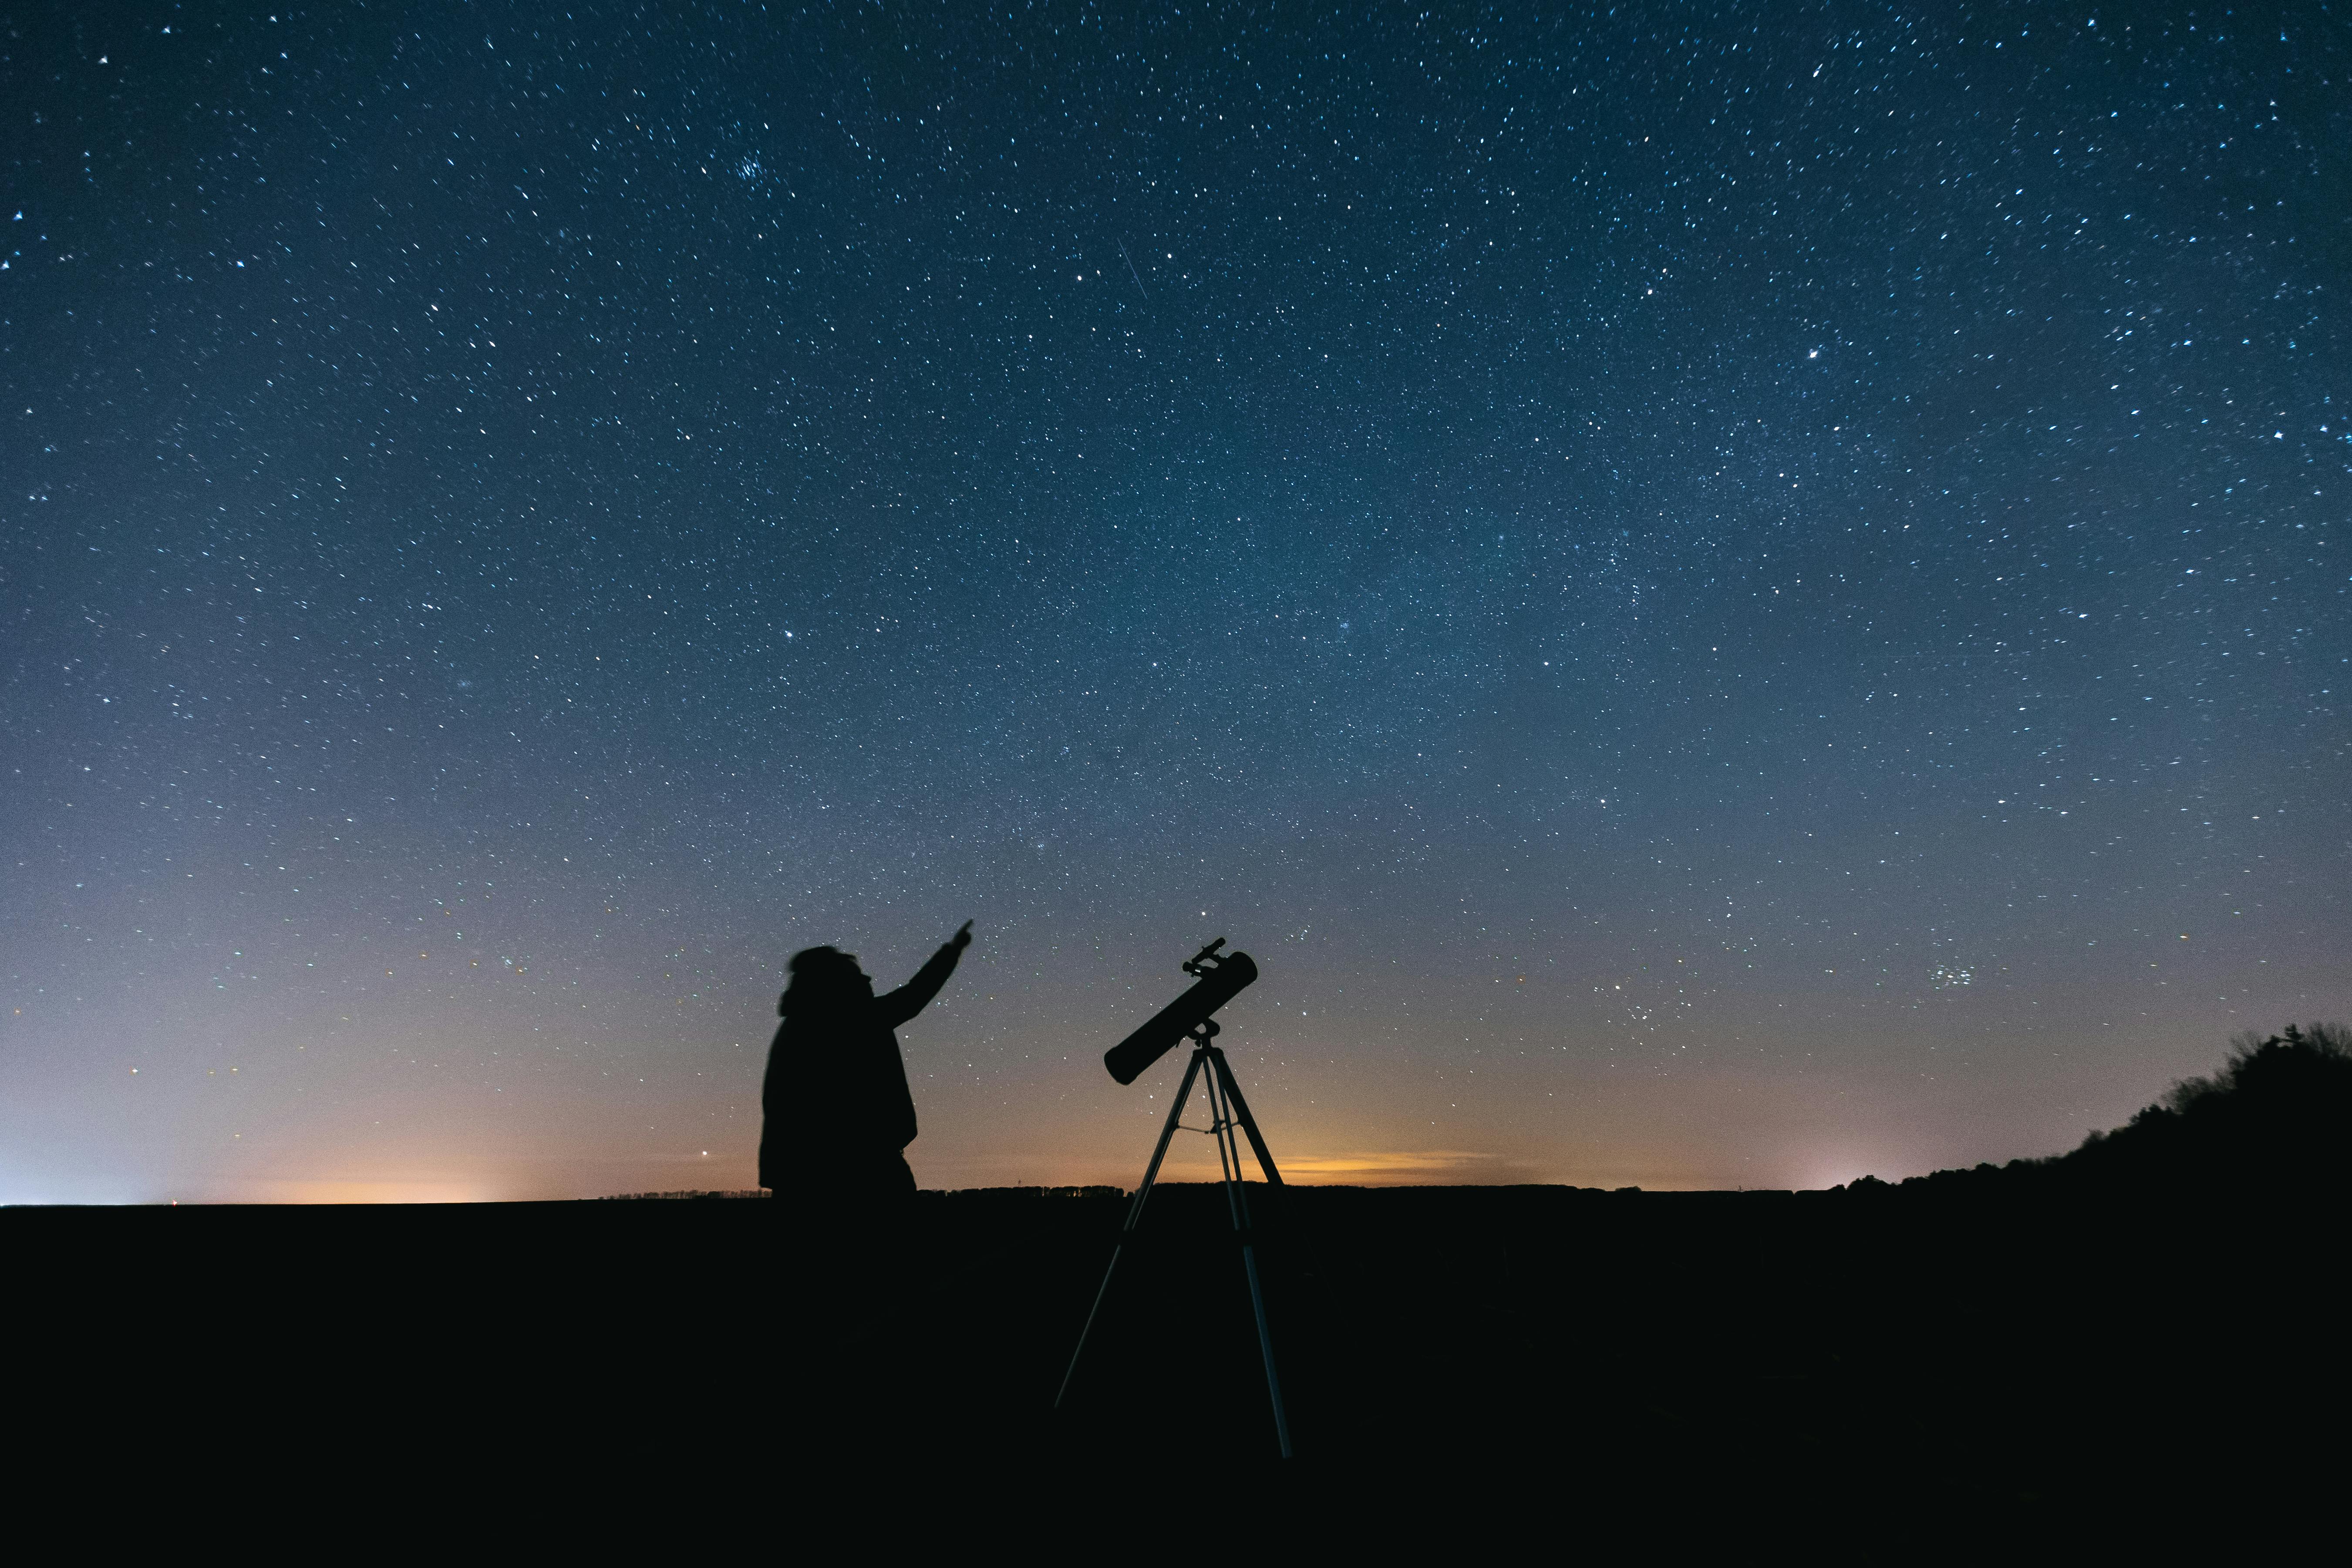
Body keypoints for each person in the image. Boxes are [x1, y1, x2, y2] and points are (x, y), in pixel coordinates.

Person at [762, 920, 972, 1245]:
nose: (867, 978)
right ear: (831, 982)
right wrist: (951, 952)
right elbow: (913, 997)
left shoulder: (802, 1023)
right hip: (859, 1172)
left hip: (806, 1175)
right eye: (855, 973)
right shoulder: (844, 1017)